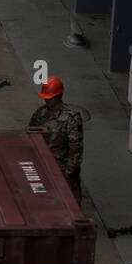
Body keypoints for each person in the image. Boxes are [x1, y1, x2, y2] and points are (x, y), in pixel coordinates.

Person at [28, 75, 84, 204]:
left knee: (69, 202)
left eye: (49, 98)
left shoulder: (71, 117)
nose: (46, 101)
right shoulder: (41, 113)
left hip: (62, 166)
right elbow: (31, 134)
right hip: (42, 164)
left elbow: (76, 145)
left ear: (58, 96)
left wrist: (70, 169)